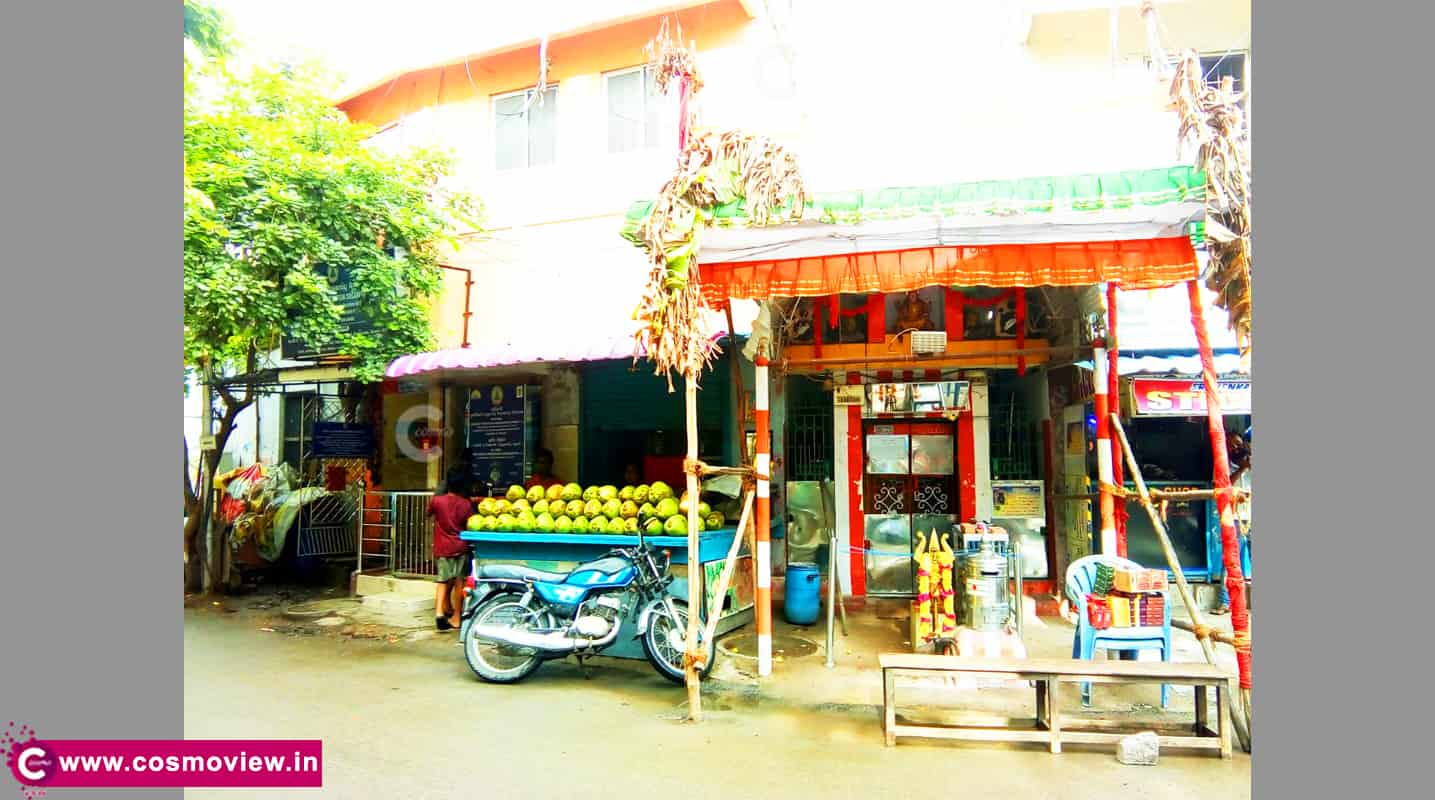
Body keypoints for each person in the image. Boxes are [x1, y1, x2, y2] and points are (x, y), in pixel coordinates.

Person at [428, 466, 474, 631]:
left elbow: (429, 513)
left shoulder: (437, 501)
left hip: (443, 547)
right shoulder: (466, 504)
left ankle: (439, 613)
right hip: (460, 546)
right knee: (459, 581)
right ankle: (456, 616)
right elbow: (469, 525)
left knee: (442, 580)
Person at [1213, 428, 1252, 616]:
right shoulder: (1223, 465)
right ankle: (1225, 601)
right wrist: (1243, 468)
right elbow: (1224, 485)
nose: (1236, 448)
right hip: (1234, 518)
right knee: (1229, 560)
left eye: (1239, 444)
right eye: (1233, 445)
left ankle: (1242, 602)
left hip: (1249, 517)